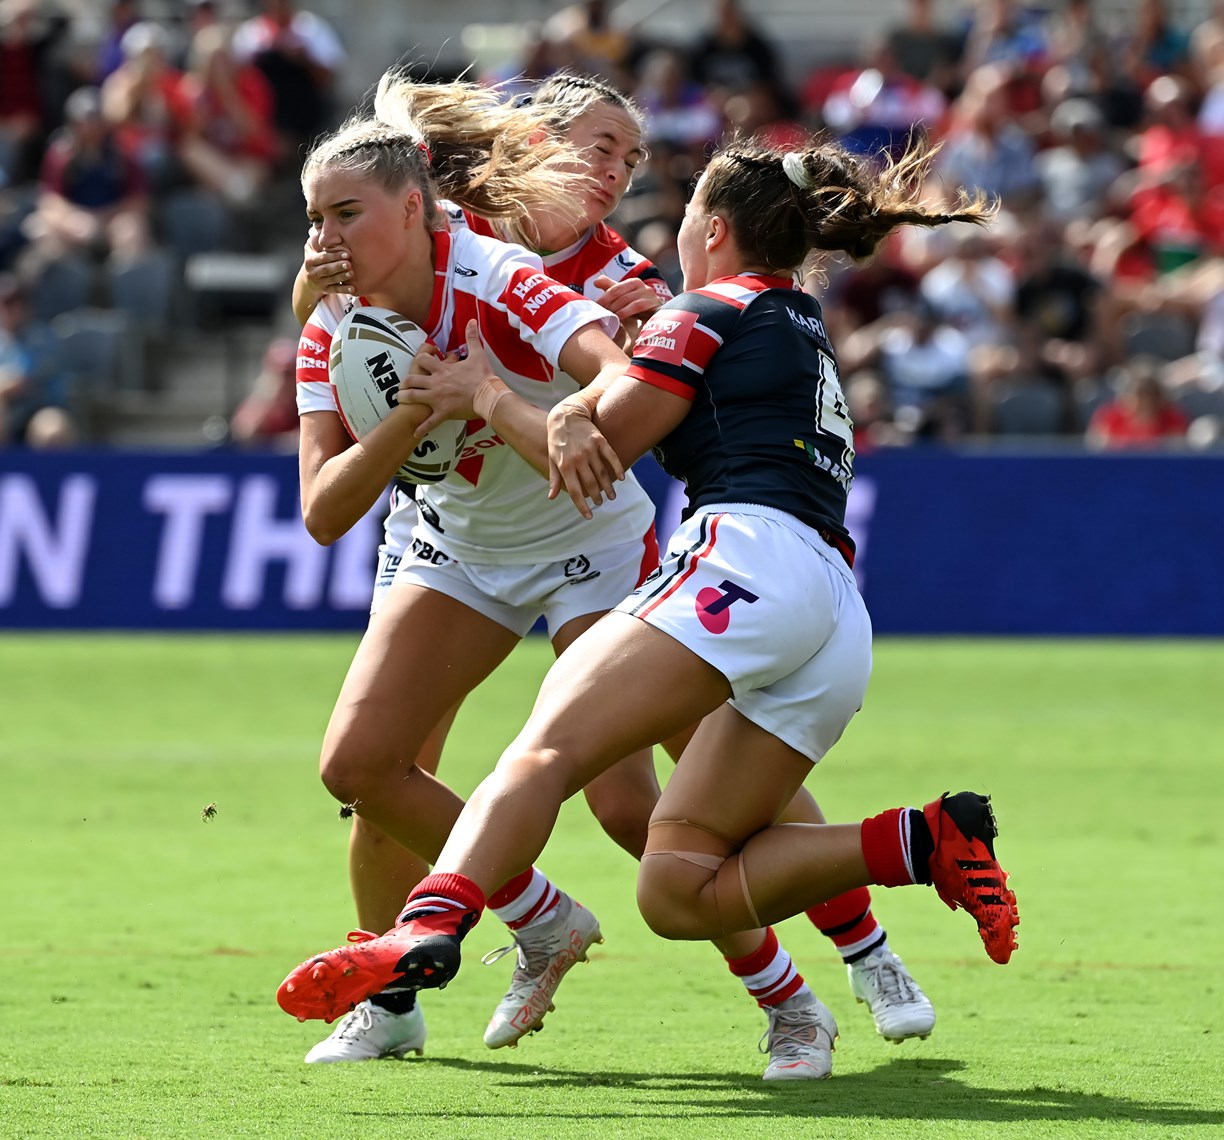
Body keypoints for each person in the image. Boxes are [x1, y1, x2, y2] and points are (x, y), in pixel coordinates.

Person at [276, 135, 1021, 1074]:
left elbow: (593, 453)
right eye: (318, 217)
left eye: (632, 163)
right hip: (828, 604)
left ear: (710, 230)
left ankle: (427, 928)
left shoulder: (691, 303)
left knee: (554, 752)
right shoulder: (785, 313)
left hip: (725, 559)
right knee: (676, 883)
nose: (620, 184)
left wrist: (490, 395)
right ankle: (920, 841)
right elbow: (330, 500)